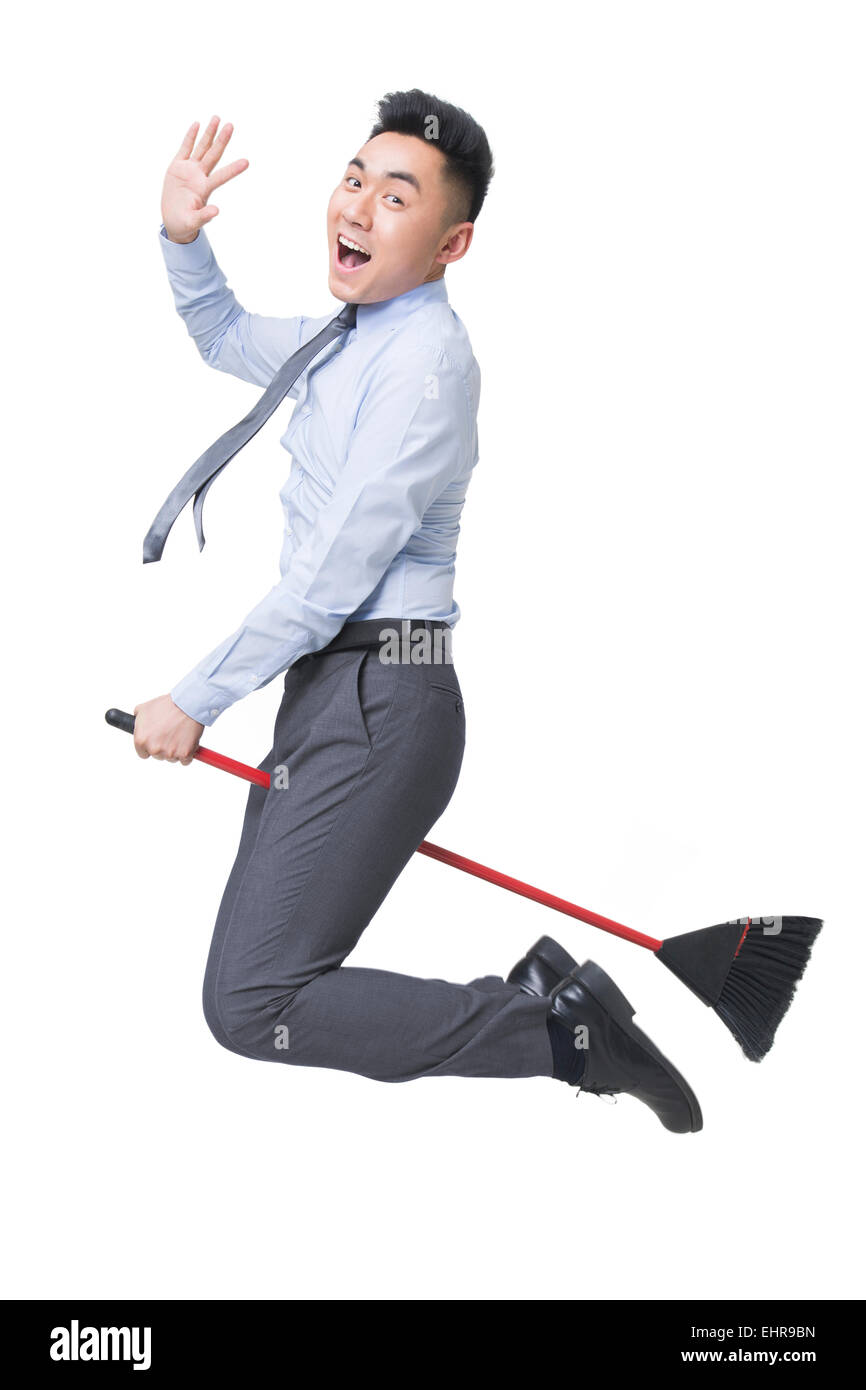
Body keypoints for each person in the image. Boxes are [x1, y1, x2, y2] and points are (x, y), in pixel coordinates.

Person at [131, 91, 702, 1133]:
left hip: (381, 698)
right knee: (253, 992)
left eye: (395, 196)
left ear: (451, 242)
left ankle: (555, 1032)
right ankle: (544, 1003)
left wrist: (194, 697)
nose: (358, 205)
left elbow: (329, 582)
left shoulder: (423, 369)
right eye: (353, 177)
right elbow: (220, 334)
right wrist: (180, 234)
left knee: (253, 1003)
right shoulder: (349, 338)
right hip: (335, 696)